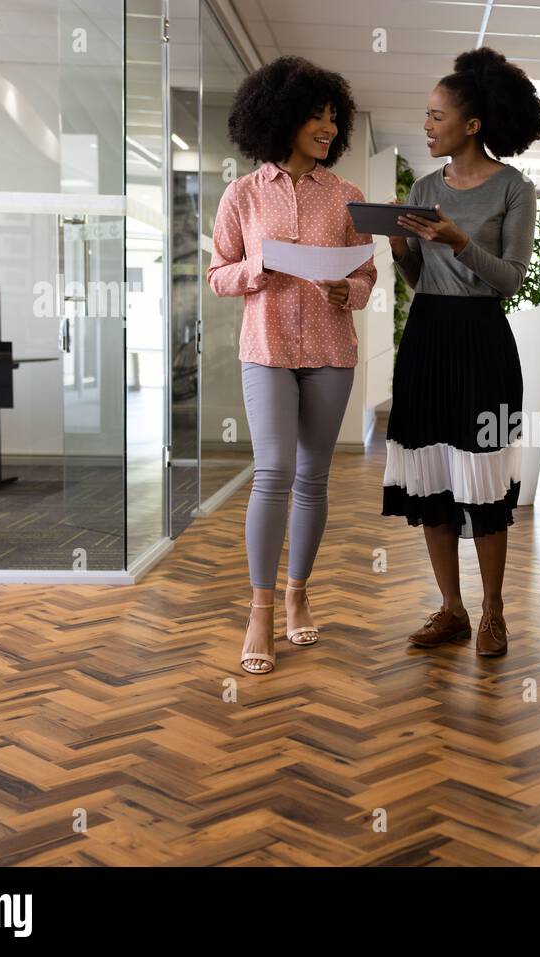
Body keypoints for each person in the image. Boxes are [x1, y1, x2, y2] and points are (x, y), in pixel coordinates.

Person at [207, 56, 377, 675]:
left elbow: (365, 272)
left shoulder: (347, 197)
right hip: (268, 349)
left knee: (314, 477)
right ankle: (259, 609)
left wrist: (348, 292)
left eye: (334, 118)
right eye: (315, 115)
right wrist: (260, 269)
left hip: (332, 351)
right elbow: (218, 273)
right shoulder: (243, 195)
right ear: (279, 118)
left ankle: (298, 595)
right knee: (273, 470)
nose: (328, 128)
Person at [383, 47, 540, 658]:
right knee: (432, 481)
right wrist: (403, 253)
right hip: (427, 336)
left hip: (482, 340)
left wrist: (456, 242)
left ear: (472, 124)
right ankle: (451, 609)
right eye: (425, 116)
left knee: (482, 481)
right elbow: (419, 282)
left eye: (435, 115)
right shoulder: (424, 187)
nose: (426, 125)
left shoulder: (514, 189)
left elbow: (509, 280)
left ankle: (494, 611)